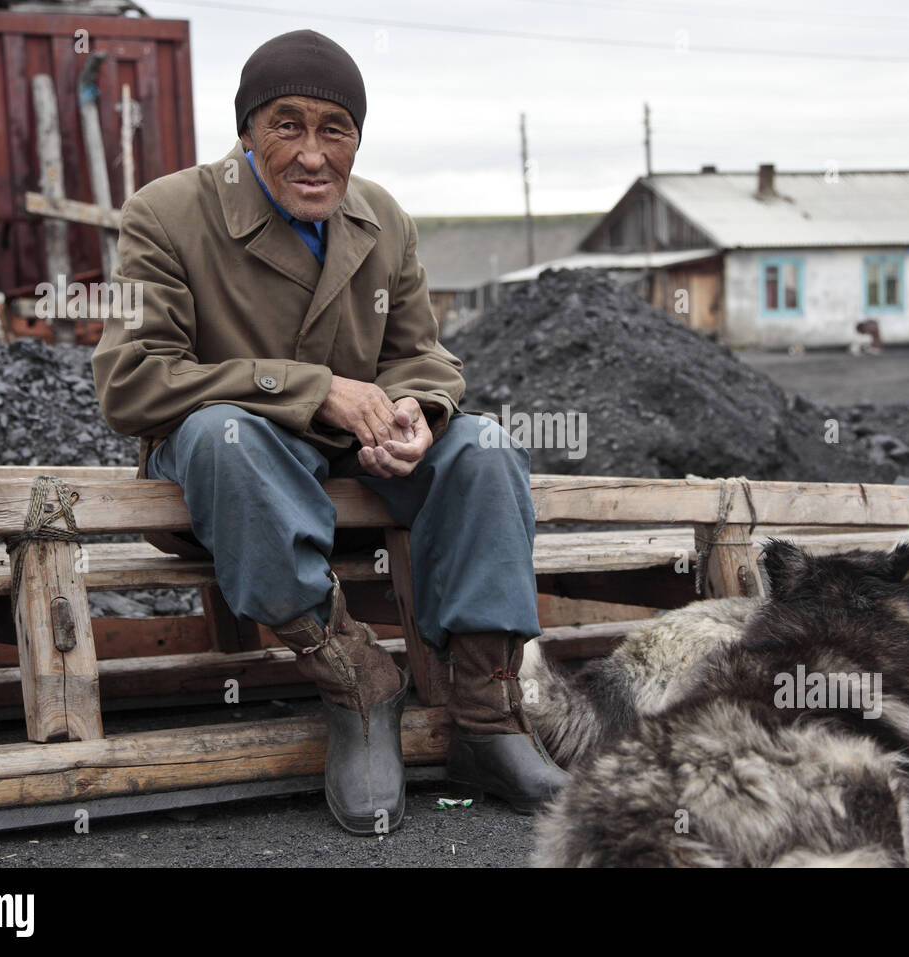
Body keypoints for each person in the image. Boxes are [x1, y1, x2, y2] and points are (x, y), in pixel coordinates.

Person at [91, 29, 568, 835]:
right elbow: (131, 381)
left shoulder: (382, 217)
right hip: (234, 465)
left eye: (335, 129)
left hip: (357, 455)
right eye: (288, 125)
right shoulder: (167, 214)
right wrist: (313, 392)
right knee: (222, 437)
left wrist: (419, 412)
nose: (314, 154)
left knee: (485, 449)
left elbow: (422, 355)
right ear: (247, 132)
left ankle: (486, 716)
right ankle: (358, 683)